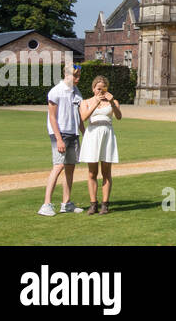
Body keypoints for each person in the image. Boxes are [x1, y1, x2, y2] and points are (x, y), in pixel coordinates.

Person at [39, 63, 87, 216]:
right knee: (58, 166)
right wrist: (59, 139)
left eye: (79, 76)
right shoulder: (56, 91)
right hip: (59, 134)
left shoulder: (77, 92)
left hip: (73, 134)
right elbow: (52, 117)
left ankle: (66, 203)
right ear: (66, 75)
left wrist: (85, 133)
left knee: (70, 168)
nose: (77, 79)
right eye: (75, 75)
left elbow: (78, 117)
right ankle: (46, 204)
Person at [78, 76, 121, 215]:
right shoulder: (86, 102)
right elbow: (83, 118)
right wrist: (96, 103)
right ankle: (93, 204)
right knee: (92, 172)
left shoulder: (113, 101)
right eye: (98, 88)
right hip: (92, 135)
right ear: (93, 88)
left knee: (106, 171)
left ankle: (105, 204)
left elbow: (119, 117)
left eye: (103, 88)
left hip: (107, 134)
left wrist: (112, 103)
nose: (101, 91)